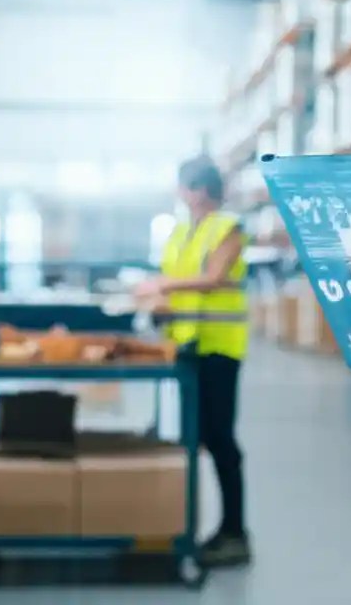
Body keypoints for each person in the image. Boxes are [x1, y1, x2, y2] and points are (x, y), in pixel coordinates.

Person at [135, 155, 252, 567]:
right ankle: (193, 526)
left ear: (201, 190)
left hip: (219, 347)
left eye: (183, 186)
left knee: (219, 438)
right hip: (186, 346)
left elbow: (216, 277)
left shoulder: (228, 227)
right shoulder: (182, 232)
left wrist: (162, 284)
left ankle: (235, 532)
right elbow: (174, 283)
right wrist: (157, 302)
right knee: (196, 436)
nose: (179, 194)